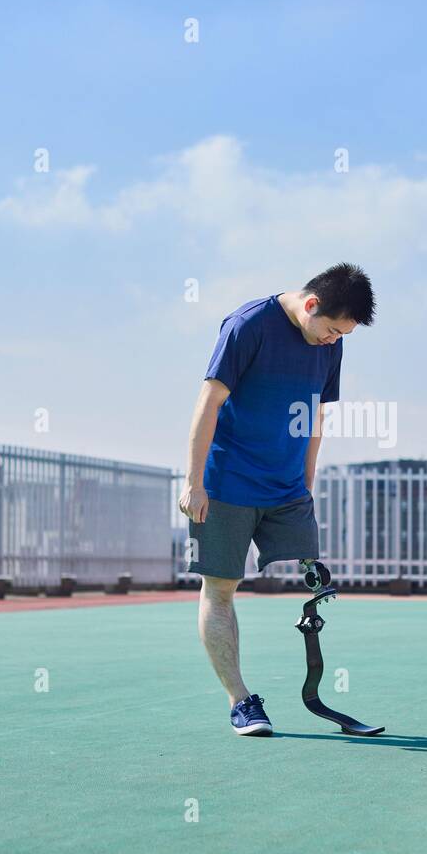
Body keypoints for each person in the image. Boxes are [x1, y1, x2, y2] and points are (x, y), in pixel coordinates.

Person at [179, 263, 376, 736]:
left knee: (316, 582)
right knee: (220, 588)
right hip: (227, 483)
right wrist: (194, 481)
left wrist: (306, 481)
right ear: (311, 306)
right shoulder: (248, 326)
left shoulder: (332, 344)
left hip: (287, 486)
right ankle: (241, 701)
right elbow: (208, 402)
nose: (333, 341)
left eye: (341, 335)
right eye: (330, 330)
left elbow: (314, 414)